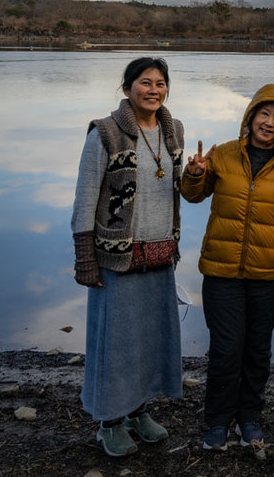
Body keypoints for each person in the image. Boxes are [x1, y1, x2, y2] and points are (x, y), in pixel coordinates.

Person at [181, 84, 274, 452]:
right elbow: (192, 194)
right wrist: (194, 173)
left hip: (266, 275)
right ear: (251, 116)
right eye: (264, 114)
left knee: (257, 348)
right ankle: (218, 421)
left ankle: (250, 418)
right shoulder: (222, 155)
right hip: (220, 272)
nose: (269, 123)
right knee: (225, 349)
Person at [71, 56, 185, 457]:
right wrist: (85, 259)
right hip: (116, 258)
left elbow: (177, 190)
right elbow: (85, 200)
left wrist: (199, 175)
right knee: (115, 342)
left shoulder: (175, 133)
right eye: (145, 82)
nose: (153, 90)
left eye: (160, 83)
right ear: (127, 88)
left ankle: (138, 412)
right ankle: (109, 421)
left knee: (150, 340)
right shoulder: (104, 133)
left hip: (159, 255)